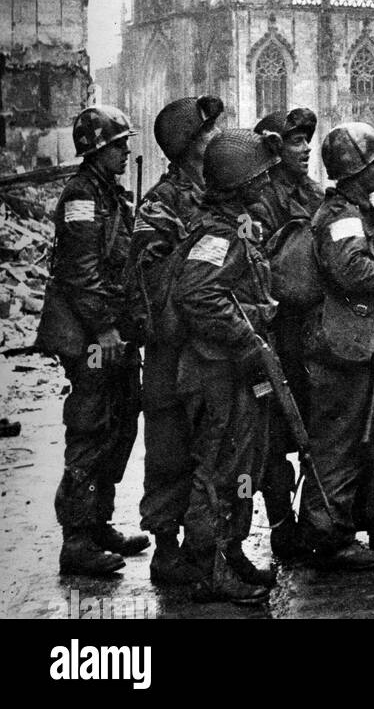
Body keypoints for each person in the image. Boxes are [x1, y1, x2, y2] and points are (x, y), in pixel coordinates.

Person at [172, 128, 282, 606]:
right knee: (219, 468)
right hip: (218, 371)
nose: (265, 184)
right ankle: (209, 568)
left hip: (237, 370)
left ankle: (230, 551)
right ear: (239, 184)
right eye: (258, 177)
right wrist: (247, 334)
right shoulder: (217, 233)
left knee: (243, 463)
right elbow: (198, 295)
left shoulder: (234, 224)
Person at [36, 106, 146, 577]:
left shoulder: (108, 193)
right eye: (118, 144)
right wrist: (105, 328)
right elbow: (81, 272)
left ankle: (99, 523)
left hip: (110, 330)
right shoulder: (82, 196)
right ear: (97, 150)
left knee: (120, 424)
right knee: (91, 427)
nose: (126, 151)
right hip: (90, 335)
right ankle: (76, 539)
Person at [296, 121, 374, 571]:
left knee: (370, 433)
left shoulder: (355, 208)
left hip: (360, 339)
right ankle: (327, 537)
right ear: (359, 171)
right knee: (340, 441)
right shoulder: (343, 216)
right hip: (343, 343)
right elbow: (352, 270)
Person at [130, 94, 223, 586]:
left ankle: (204, 542)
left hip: (211, 348)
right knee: (168, 447)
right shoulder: (161, 203)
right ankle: (166, 546)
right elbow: (150, 281)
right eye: (207, 135)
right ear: (188, 145)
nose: (216, 142)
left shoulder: (222, 192)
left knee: (212, 443)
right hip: (172, 348)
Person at [252, 106, 324, 561]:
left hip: (310, 331)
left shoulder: (314, 193)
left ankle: (314, 521)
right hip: (275, 331)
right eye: (295, 142)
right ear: (275, 150)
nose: (305, 148)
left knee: (314, 424)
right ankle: (282, 526)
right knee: (274, 432)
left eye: (306, 141)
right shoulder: (259, 200)